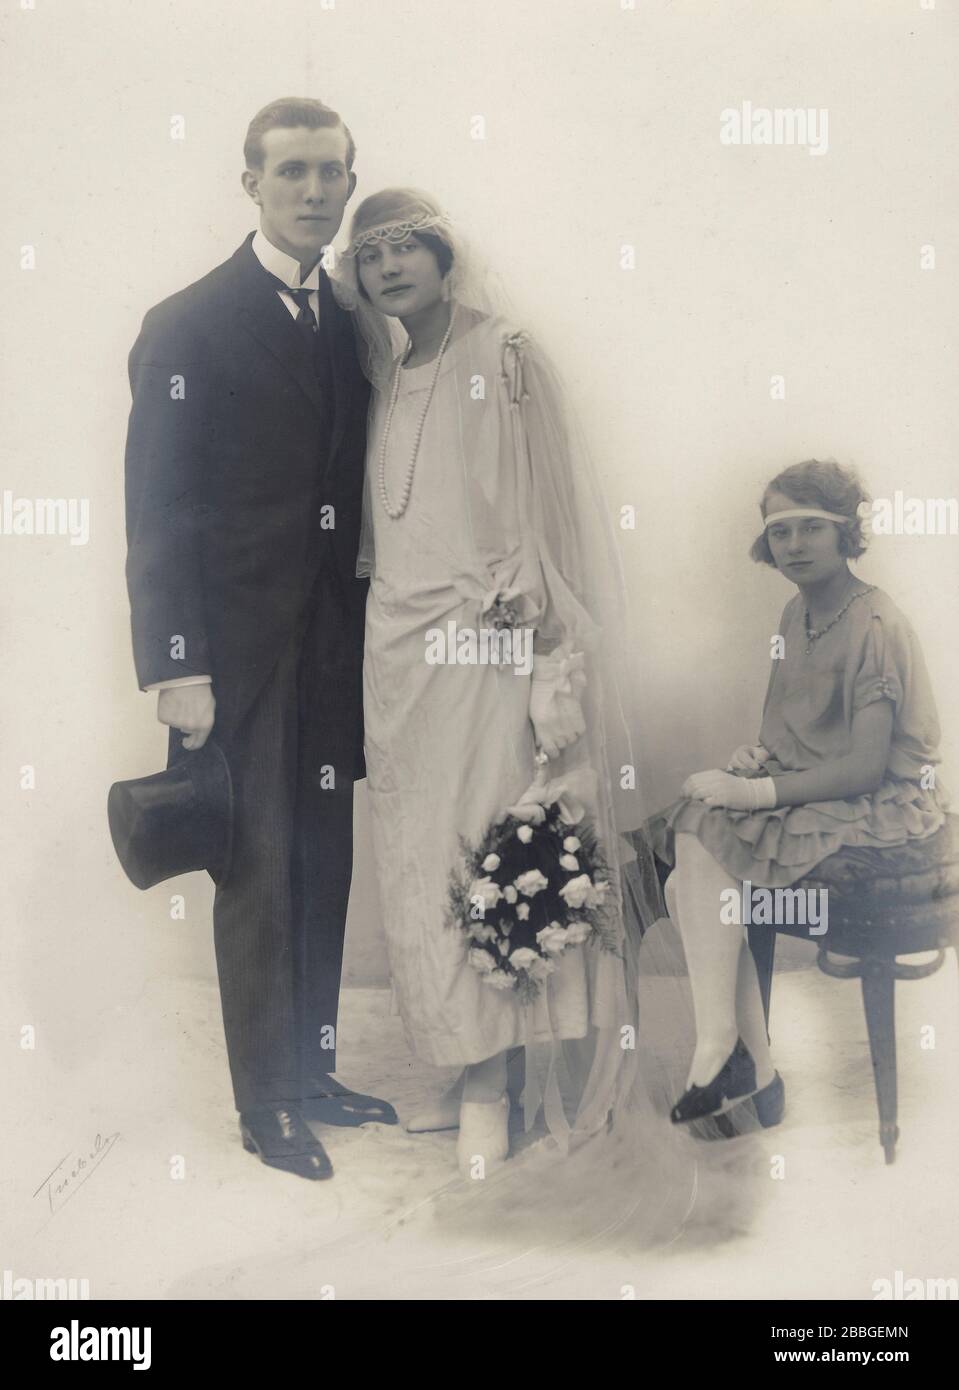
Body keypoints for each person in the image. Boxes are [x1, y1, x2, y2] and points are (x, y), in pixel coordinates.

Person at [342, 188, 653, 1179]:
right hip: (398, 655)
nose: (390, 269)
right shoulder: (389, 369)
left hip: (485, 640)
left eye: (408, 251)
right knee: (421, 855)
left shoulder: (503, 354)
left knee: (490, 844)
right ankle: (467, 1061)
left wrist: (530, 638)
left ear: (444, 256)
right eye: (372, 256)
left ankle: (497, 1088)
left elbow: (540, 516)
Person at [123, 97, 396, 1183]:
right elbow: (159, 508)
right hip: (230, 657)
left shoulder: (347, 320)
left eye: (331, 172)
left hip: (331, 647)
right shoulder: (186, 324)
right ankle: (266, 1102)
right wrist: (176, 664)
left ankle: (314, 1066)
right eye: (290, 172)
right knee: (256, 870)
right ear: (250, 185)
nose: (314, 191)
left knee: (321, 864)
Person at [647, 460, 948, 1128]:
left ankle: (725, 1051)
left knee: (698, 836)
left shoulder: (874, 622)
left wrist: (751, 795)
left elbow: (866, 767)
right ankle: (753, 1065)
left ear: (847, 533)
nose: (795, 545)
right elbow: (790, 729)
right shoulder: (794, 613)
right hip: (819, 794)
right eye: (780, 533)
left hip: (880, 804)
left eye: (812, 528)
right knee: (686, 876)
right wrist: (756, 760)